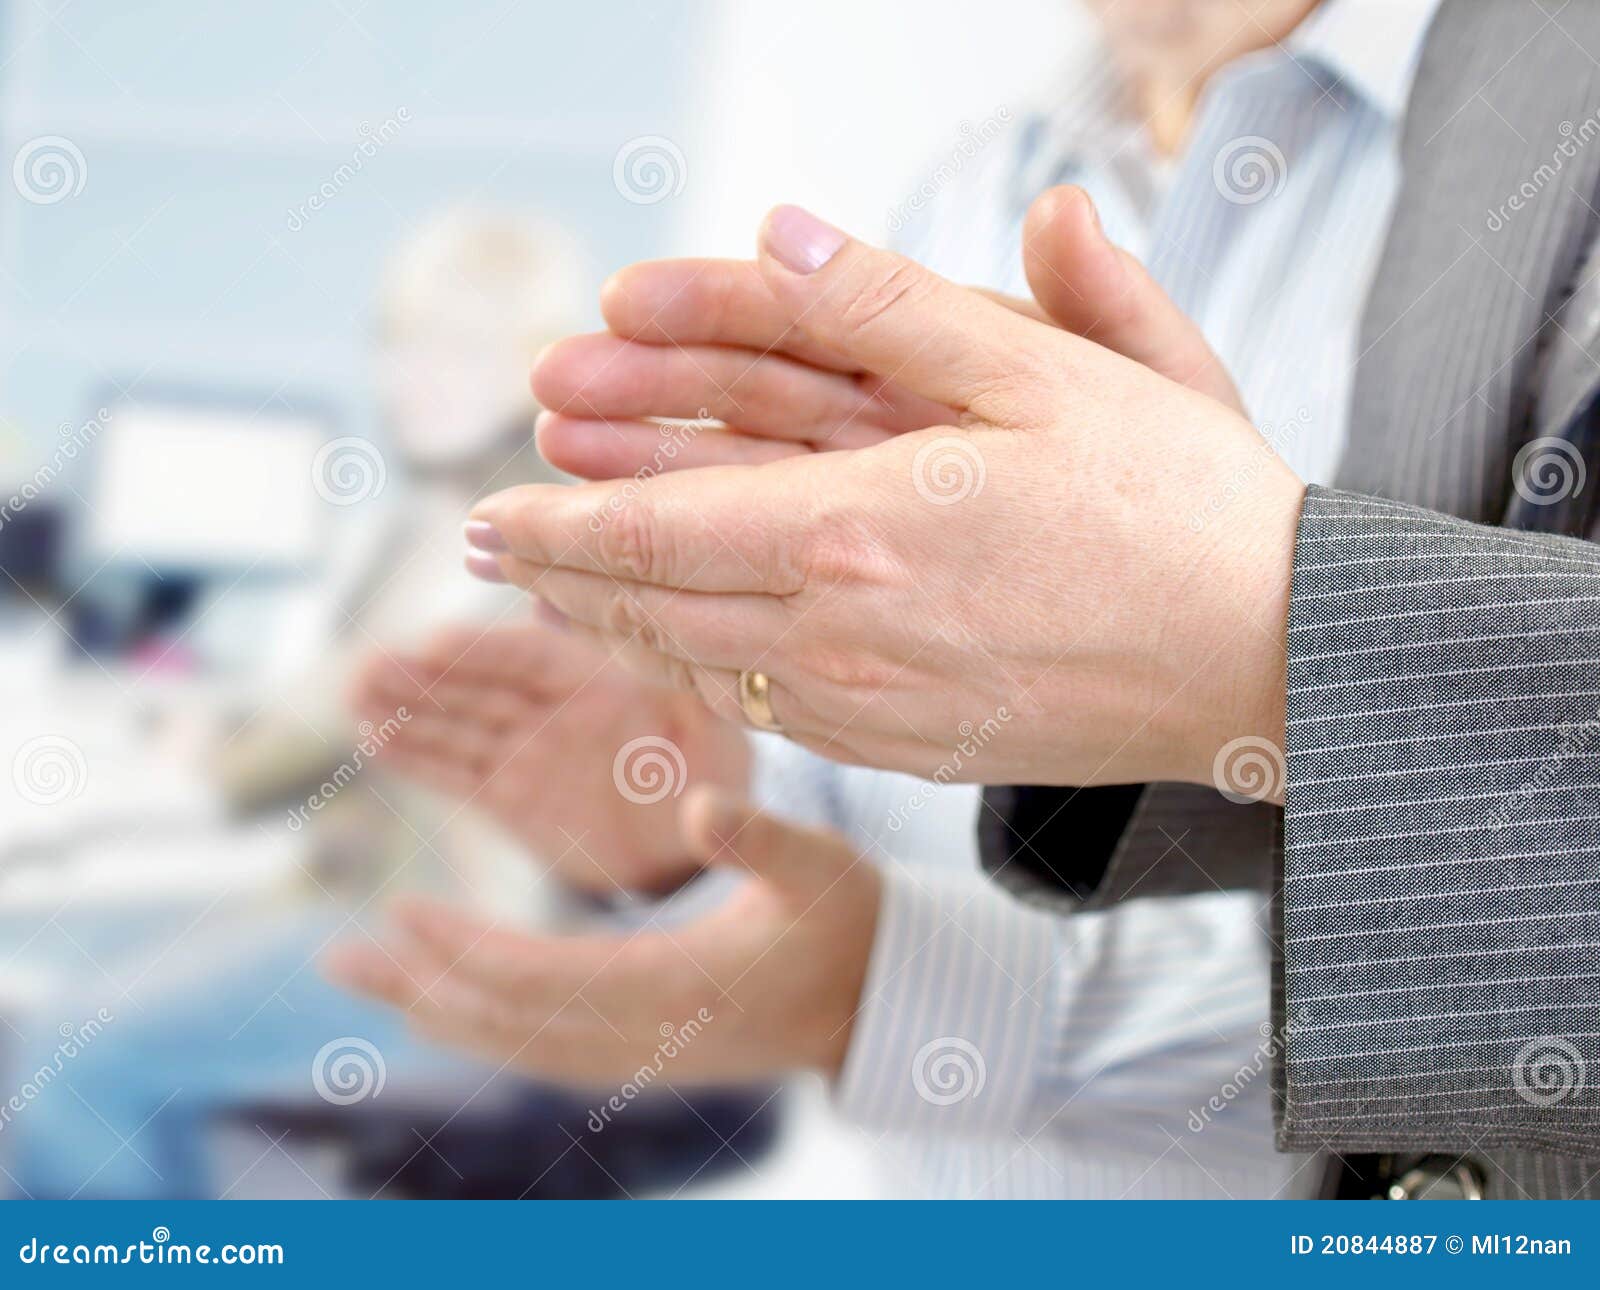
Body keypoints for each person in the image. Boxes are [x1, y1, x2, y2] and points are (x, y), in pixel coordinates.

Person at [324, 0, 1489, 1199]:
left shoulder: (1527, 186)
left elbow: (1518, 930)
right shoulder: (974, 184)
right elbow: (881, 772)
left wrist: (900, 990)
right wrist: (710, 788)